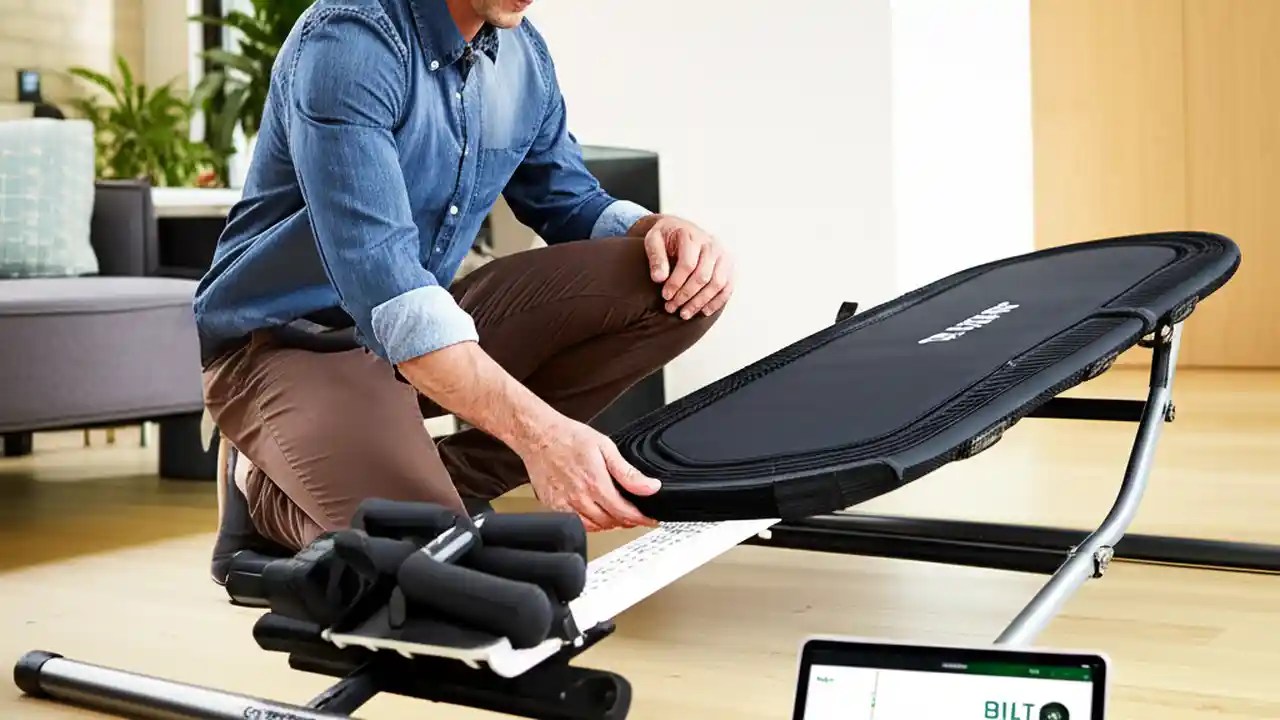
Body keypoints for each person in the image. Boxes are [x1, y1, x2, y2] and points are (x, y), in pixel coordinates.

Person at [194, 0, 735, 582]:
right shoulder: (350, 40)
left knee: (669, 286)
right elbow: (386, 284)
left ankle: (421, 481)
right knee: (436, 567)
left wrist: (656, 231)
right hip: (290, 345)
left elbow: (569, 200)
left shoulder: (523, 57)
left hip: (417, 328)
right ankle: (262, 490)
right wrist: (544, 437)